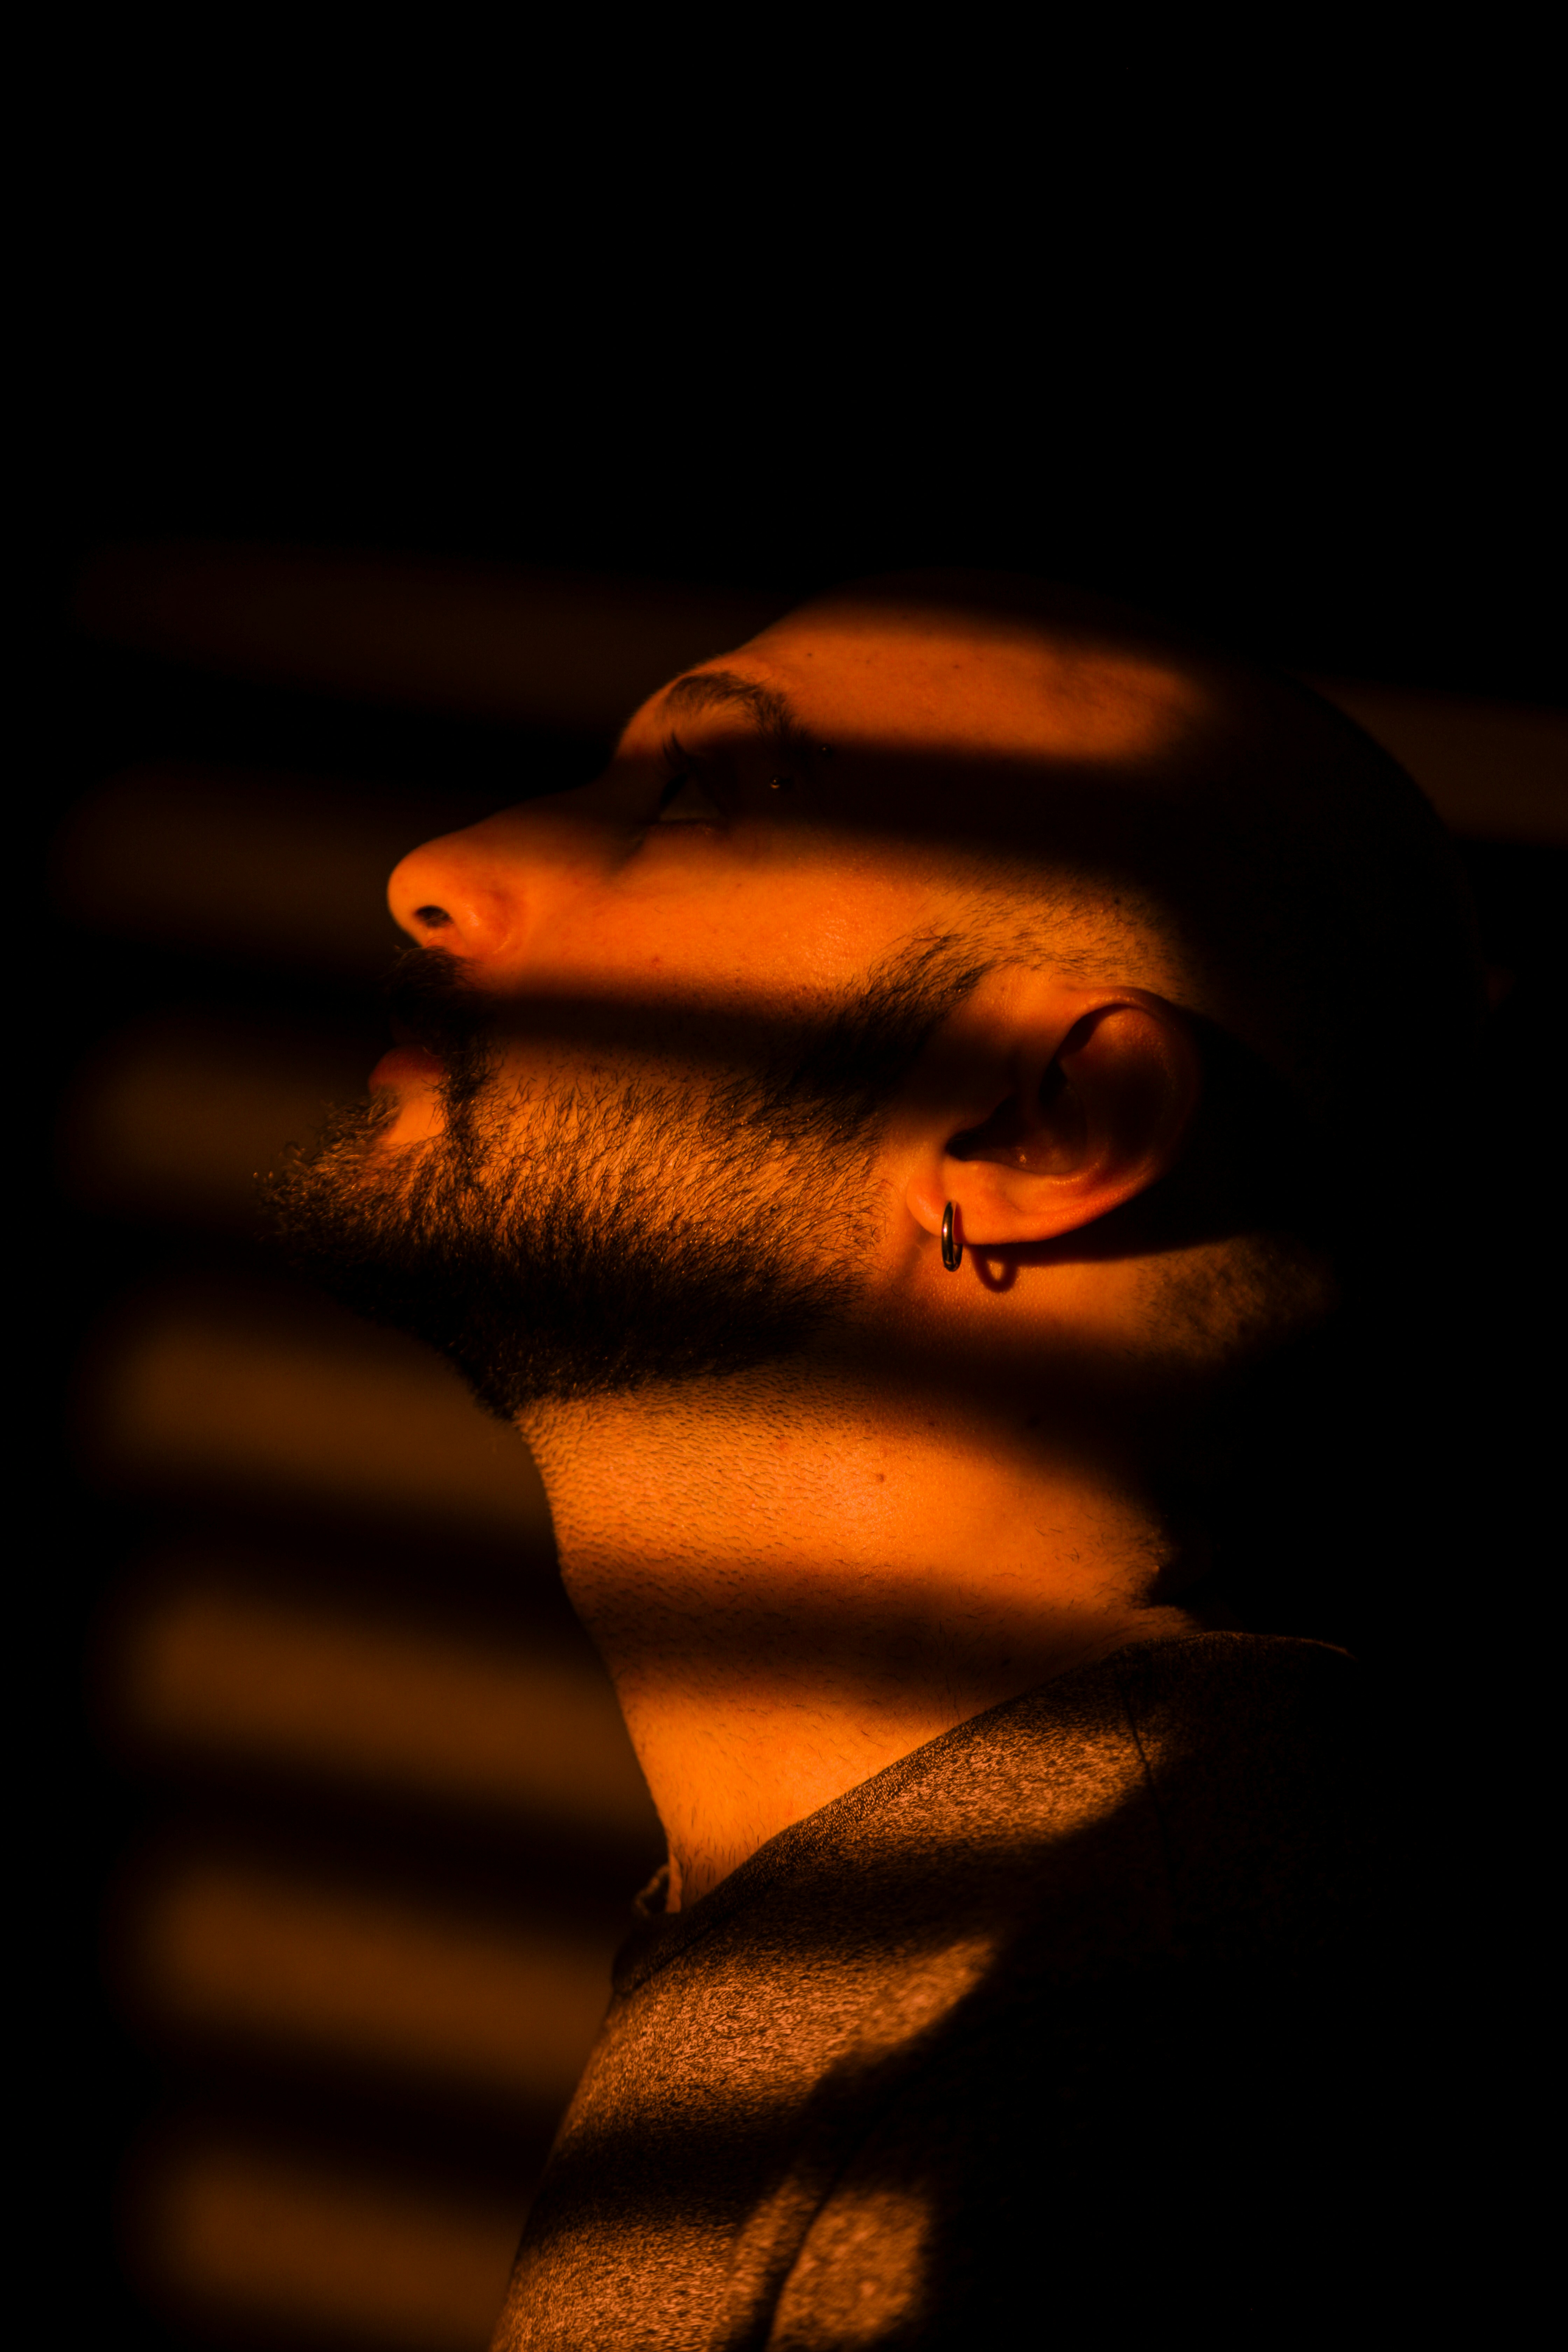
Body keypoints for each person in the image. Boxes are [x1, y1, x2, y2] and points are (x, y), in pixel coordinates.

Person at [270, 573, 1484, 2347]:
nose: (438, 865)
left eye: (711, 798)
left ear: (1038, 1125)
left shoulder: (1147, 2063)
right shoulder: (917, 1951)